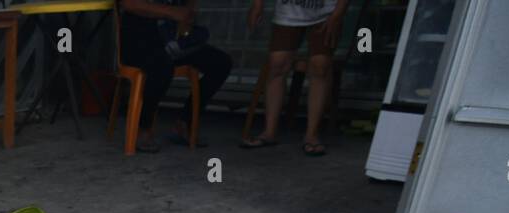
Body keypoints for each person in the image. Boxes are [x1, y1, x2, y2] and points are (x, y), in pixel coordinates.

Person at [118, 1, 233, 153]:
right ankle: (142, 128)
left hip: (170, 37)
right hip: (138, 40)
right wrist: (171, 11)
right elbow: (129, 3)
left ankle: (184, 123)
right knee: (162, 66)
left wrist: (188, 12)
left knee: (221, 63)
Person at [241, 0, 348, 156]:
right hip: (288, 11)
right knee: (277, 64)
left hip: (326, 11)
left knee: (320, 65)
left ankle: (311, 135)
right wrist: (258, 5)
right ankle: (269, 132)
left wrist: (338, 13)